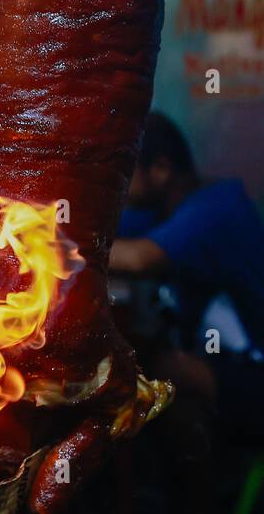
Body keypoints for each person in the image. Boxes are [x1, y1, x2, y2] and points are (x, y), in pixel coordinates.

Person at [110, 110, 264, 442]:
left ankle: (199, 493)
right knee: (143, 357)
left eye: (124, 168)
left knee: (164, 371)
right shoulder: (159, 212)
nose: (116, 180)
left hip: (255, 368)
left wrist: (51, 251)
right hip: (219, 358)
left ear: (161, 169)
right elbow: (106, 237)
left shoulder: (218, 208)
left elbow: (137, 258)